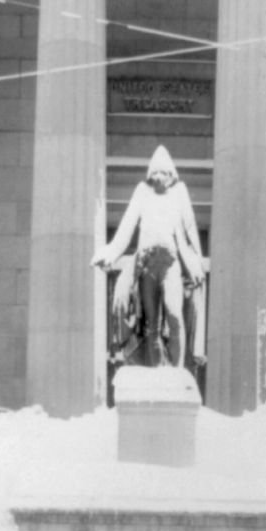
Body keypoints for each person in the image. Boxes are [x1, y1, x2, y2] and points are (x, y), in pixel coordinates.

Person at [91, 144, 205, 371]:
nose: (159, 177)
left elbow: (190, 230)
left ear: (171, 175)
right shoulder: (142, 192)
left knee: (174, 315)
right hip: (146, 264)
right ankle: (156, 371)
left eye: (163, 173)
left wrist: (196, 262)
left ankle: (177, 372)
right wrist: (110, 253)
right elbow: (126, 227)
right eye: (155, 173)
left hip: (169, 262)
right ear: (150, 175)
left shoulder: (179, 193)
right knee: (151, 324)